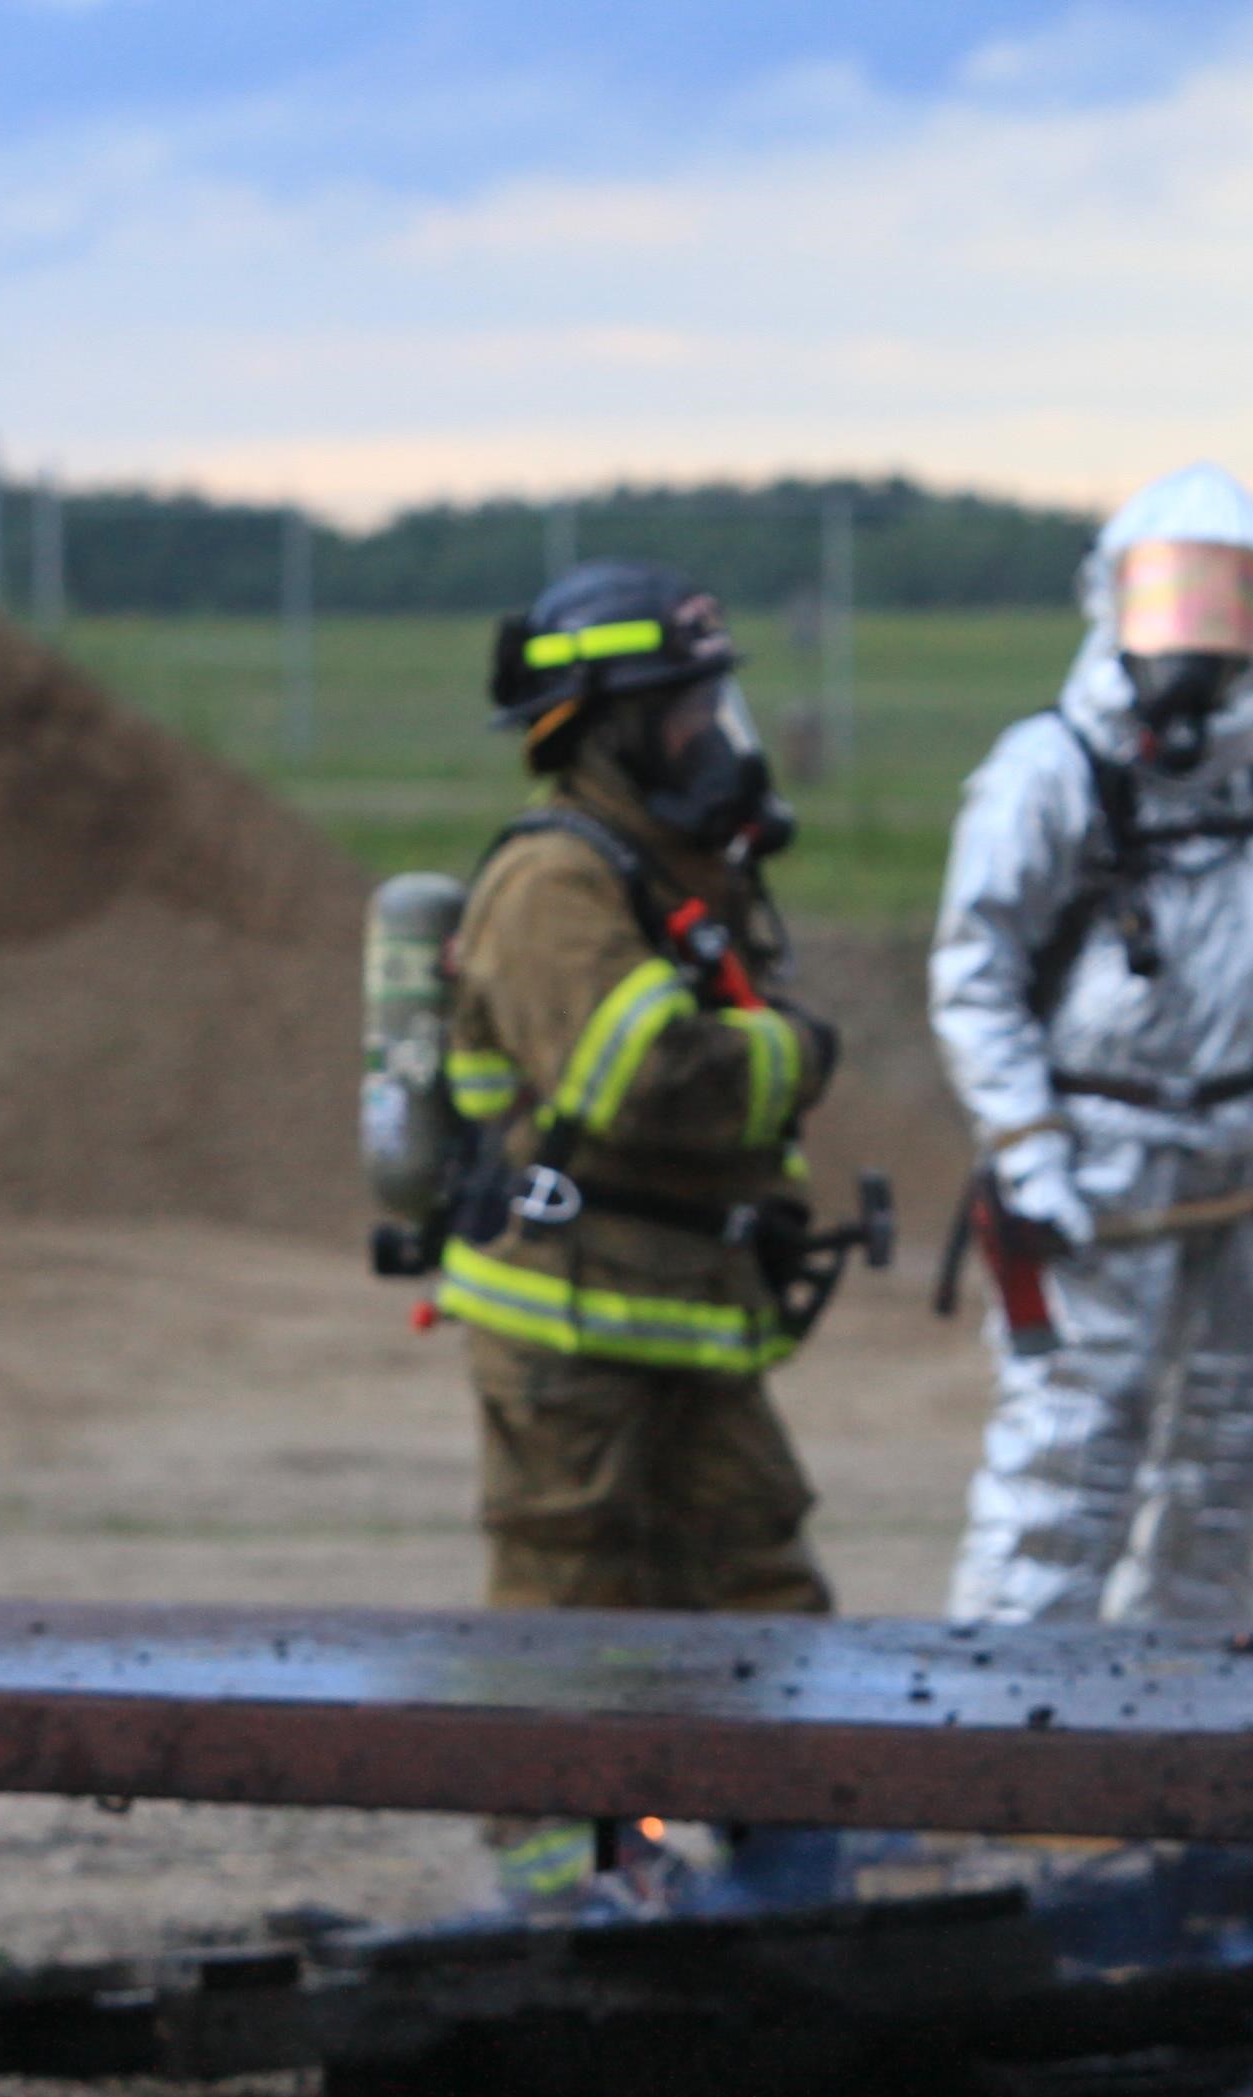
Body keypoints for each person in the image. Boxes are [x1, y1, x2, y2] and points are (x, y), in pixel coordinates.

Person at [930, 466, 1253, 1627]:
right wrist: (1028, 1145)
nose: (1202, 642)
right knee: (1070, 1450)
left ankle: (1182, 1722)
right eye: (1178, 600)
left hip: (1236, 1160)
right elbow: (974, 975)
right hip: (1096, 1163)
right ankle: (1011, 1745)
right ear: (1110, 603)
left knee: (1226, 1447)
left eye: (1231, 603)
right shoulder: (1044, 775)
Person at [432, 561, 845, 1898]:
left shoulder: (670, 872)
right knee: (573, 1600)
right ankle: (565, 1886)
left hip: (684, 1298)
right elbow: (644, 1081)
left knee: (756, 1564)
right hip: (568, 1311)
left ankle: (788, 1849)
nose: (712, 737)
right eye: (682, 712)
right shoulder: (553, 882)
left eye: (714, 704)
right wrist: (795, 1052)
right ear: (605, 727)